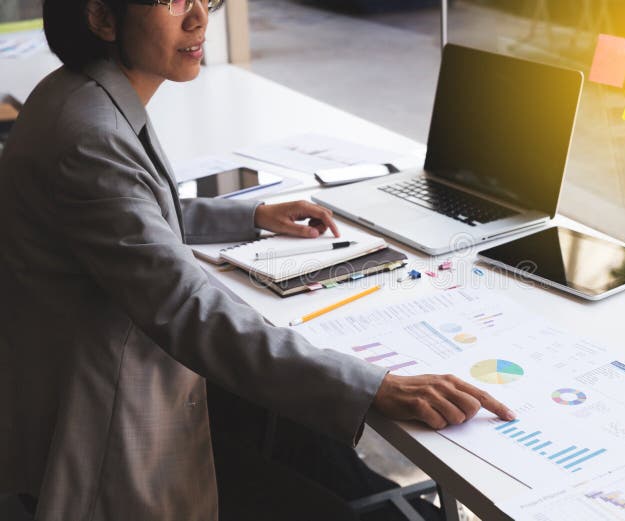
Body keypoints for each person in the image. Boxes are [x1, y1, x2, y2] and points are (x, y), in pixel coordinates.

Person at [0, 1, 515, 520]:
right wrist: (372, 386)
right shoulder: (92, 137)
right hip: (111, 436)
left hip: (109, 384)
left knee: (316, 443)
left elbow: (135, 213)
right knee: (313, 459)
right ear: (102, 18)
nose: (199, 18)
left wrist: (251, 215)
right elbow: (186, 309)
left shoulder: (77, 94)